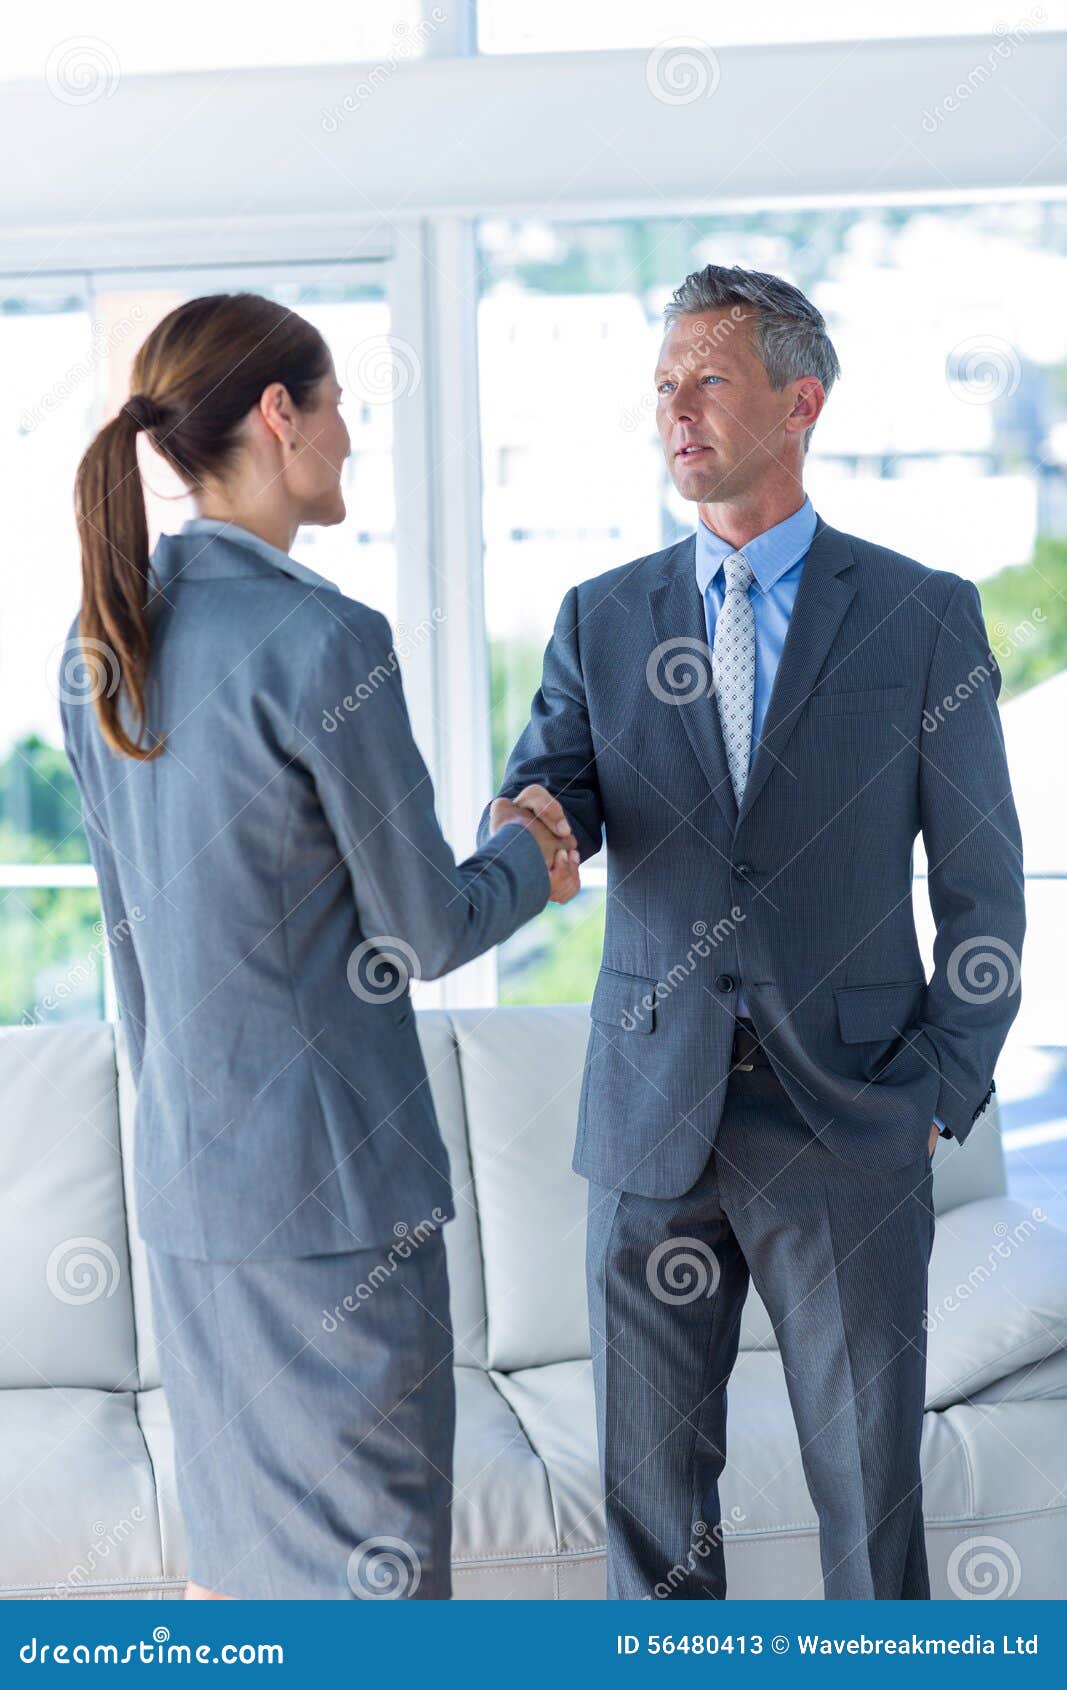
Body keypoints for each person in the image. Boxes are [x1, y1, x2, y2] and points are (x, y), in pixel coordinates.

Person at [482, 264, 1025, 1599]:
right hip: (652, 1119)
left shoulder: (919, 613)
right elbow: (557, 798)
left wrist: (940, 1092)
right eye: (663, 386)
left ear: (802, 400)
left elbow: (985, 891)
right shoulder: (601, 619)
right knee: (657, 1525)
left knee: (869, 1514)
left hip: (849, 1120)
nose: (677, 410)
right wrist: (523, 825)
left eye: (707, 379)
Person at [61, 291, 579, 1600]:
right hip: (339, 1213)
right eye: (338, 401)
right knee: (380, 1595)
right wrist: (529, 846)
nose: (349, 434)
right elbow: (426, 926)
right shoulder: (321, 638)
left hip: (192, 1195)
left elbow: (138, 955)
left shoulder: (99, 651)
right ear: (278, 414)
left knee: (260, 1593)